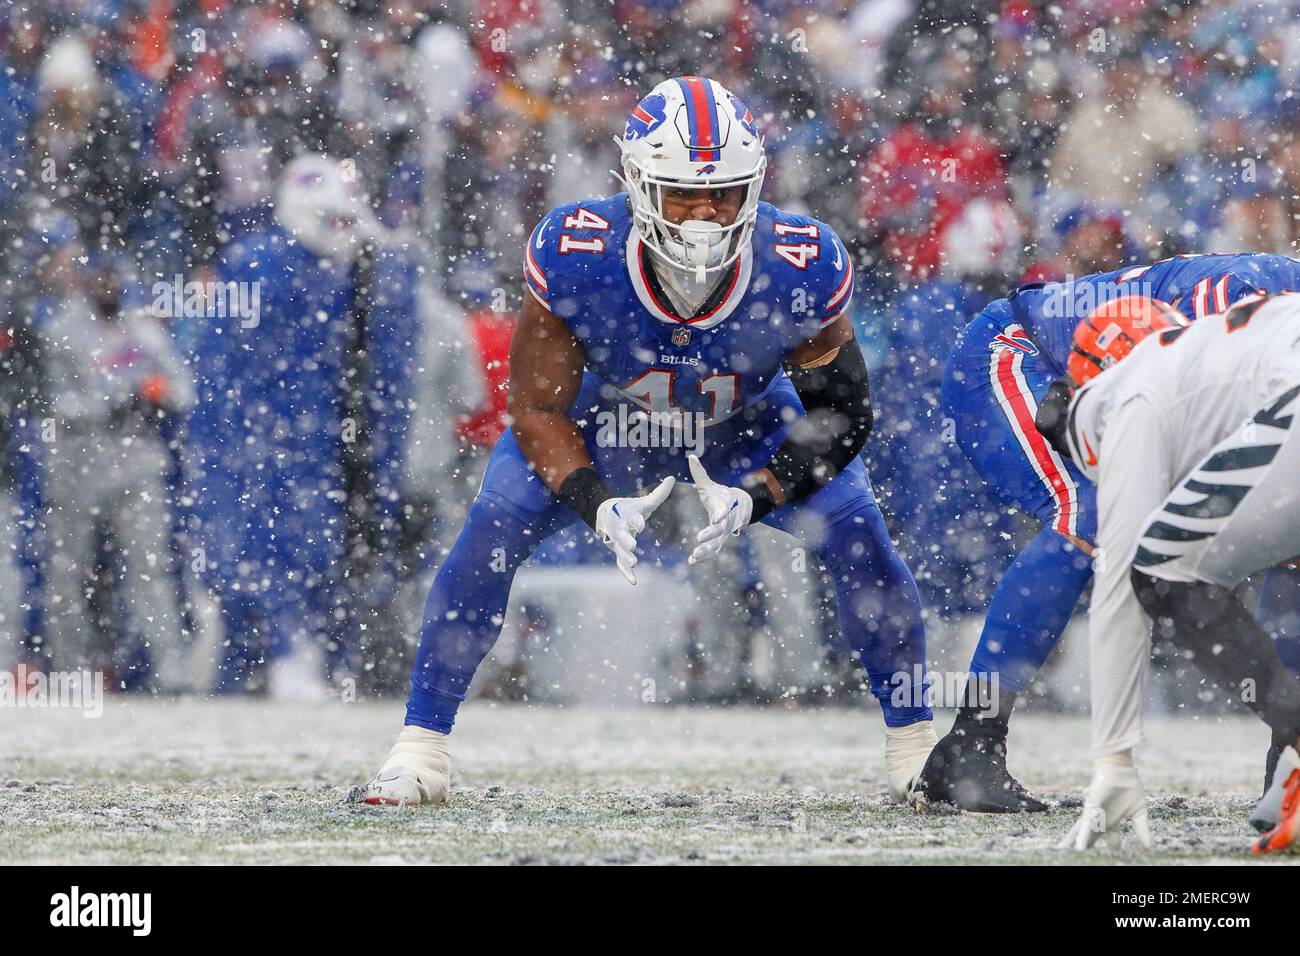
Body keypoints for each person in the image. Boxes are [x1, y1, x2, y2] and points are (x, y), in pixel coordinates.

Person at [361, 76, 937, 806]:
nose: (703, 215)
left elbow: (845, 414)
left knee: (862, 540)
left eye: (721, 195)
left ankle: (915, 750)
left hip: (747, 424)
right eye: (681, 195)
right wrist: (592, 499)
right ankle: (420, 751)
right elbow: (537, 406)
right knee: (491, 531)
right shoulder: (582, 251)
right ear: (638, 187)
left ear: (753, 189)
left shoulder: (799, 261)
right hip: (606, 424)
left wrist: (763, 495)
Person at [918, 253, 1300, 812]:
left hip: (1114, 382)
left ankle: (1287, 754)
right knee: (1090, 513)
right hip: (1024, 357)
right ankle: (972, 740)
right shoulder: (1238, 307)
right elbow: (1078, 406)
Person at [1038, 294, 1300, 855]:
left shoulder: (1131, 386)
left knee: (1161, 567)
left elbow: (1124, 578)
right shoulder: (1224, 354)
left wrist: (1113, 758)